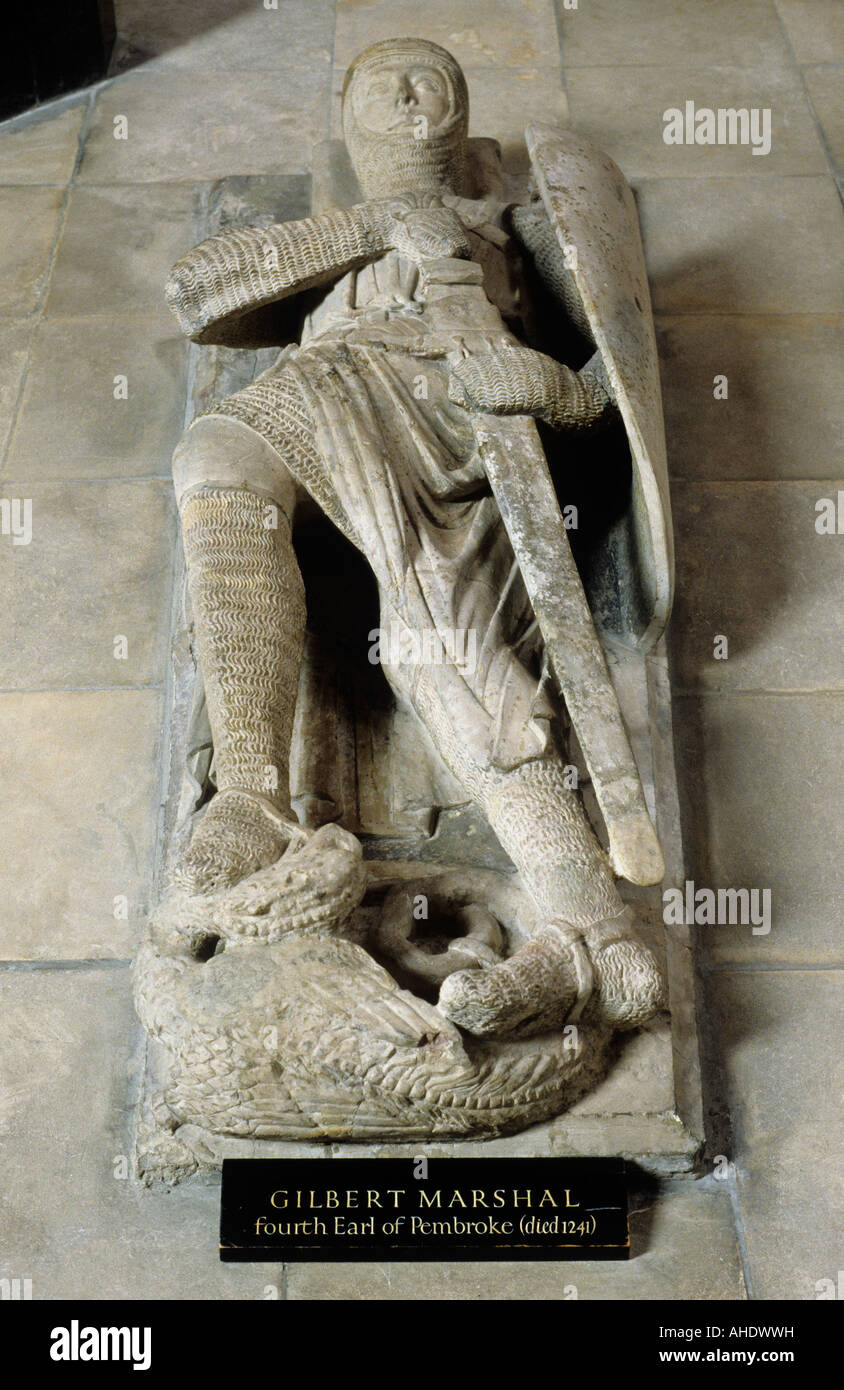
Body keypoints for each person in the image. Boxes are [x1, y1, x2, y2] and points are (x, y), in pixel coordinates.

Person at [164, 37, 664, 1037]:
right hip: (324, 386)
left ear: (463, 112)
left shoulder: (521, 223)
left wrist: (559, 389)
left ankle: (590, 925)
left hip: (454, 411)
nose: (407, 87)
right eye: (384, 76)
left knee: (450, 646)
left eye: (430, 74)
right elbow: (196, 294)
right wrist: (376, 226)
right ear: (347, 120)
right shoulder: (329, 230)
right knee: (217, 460)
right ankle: (250, 796)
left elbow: (620, 365)